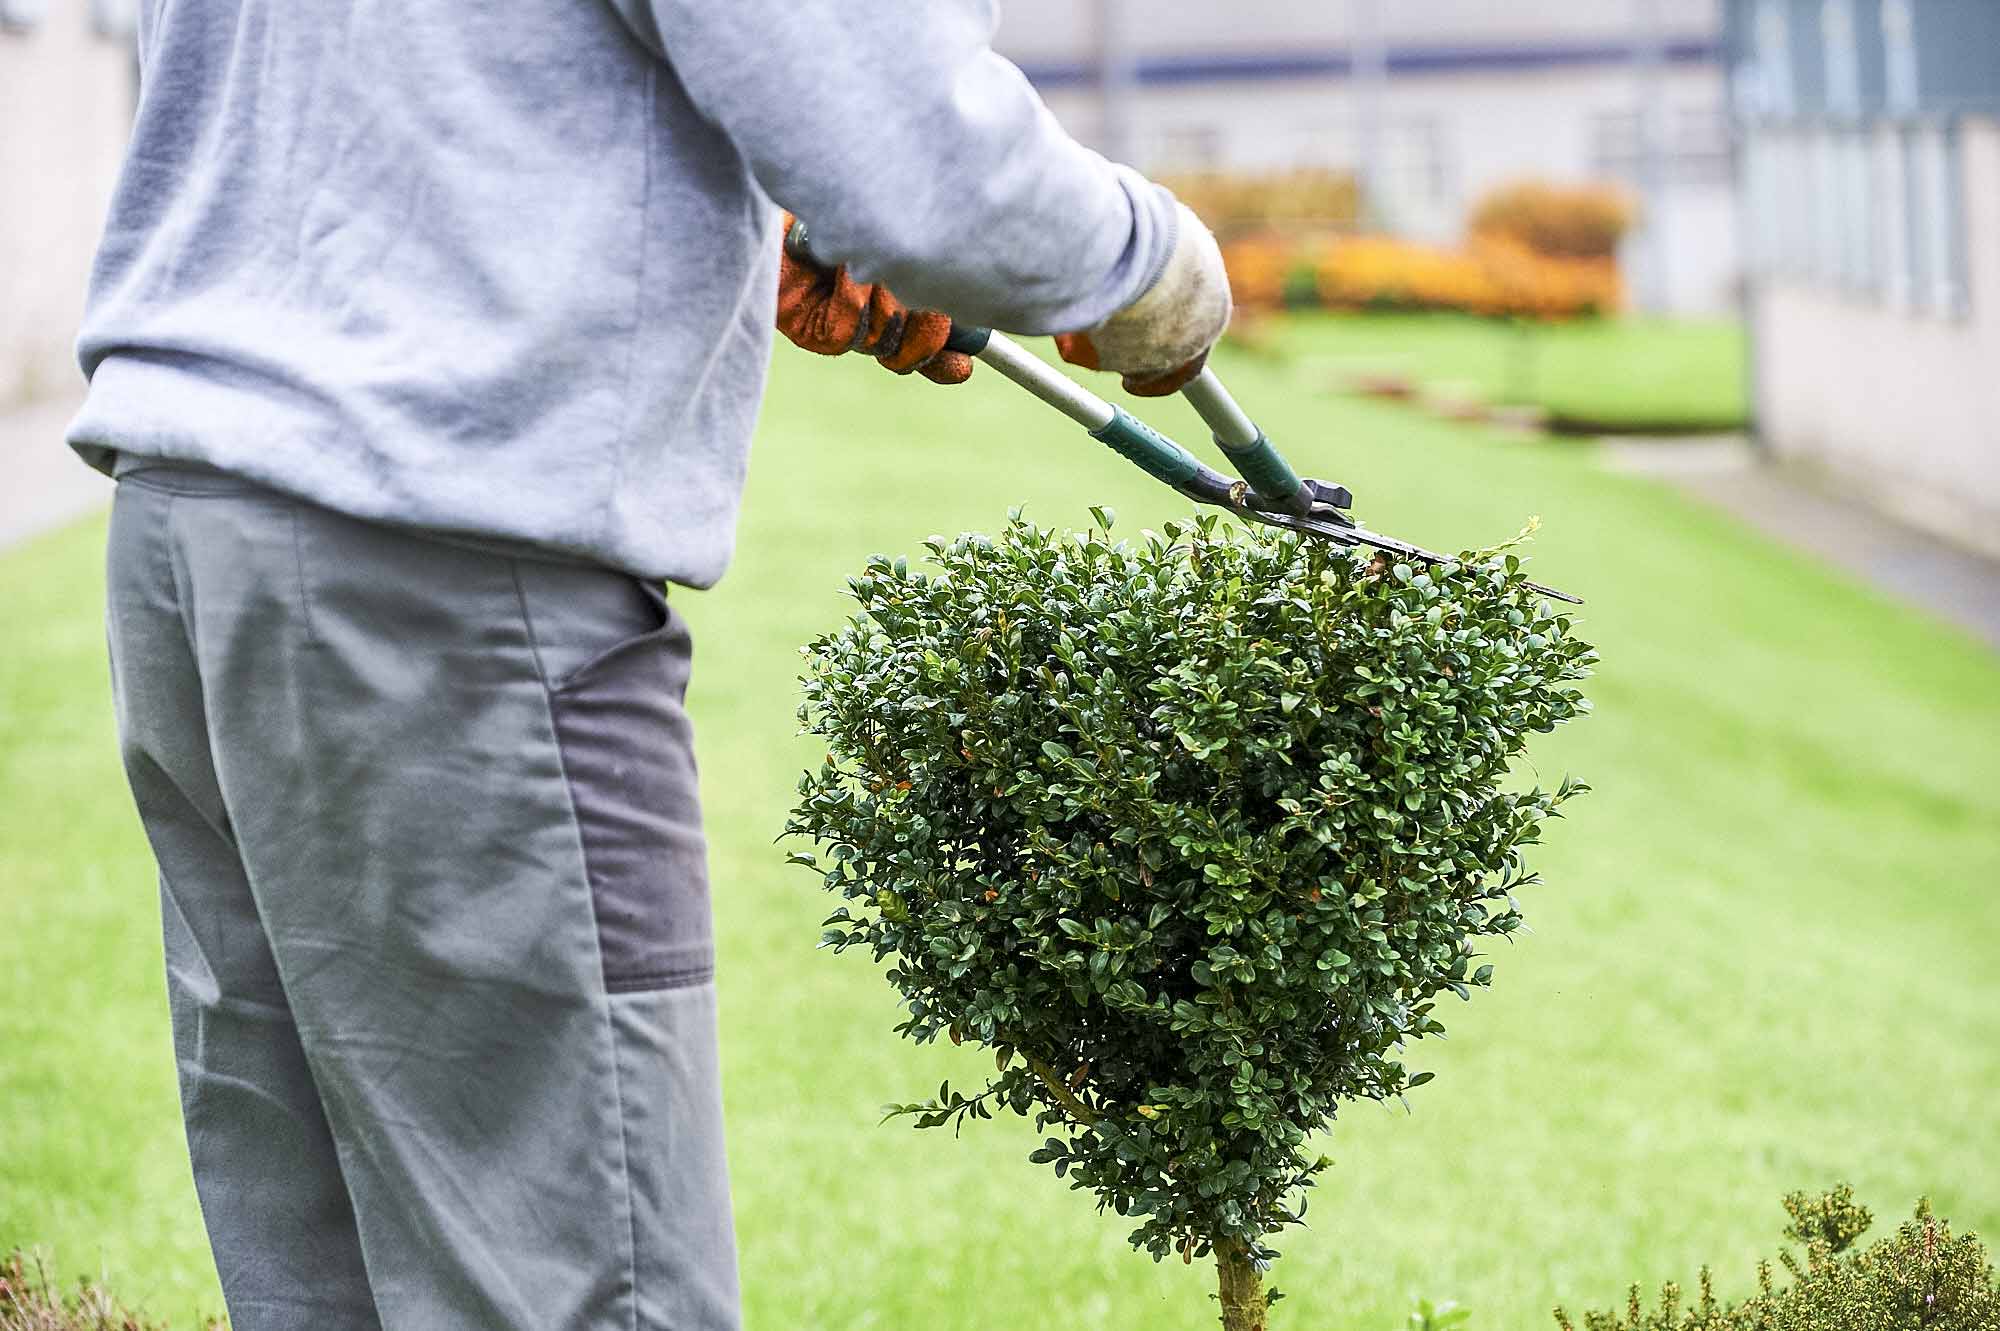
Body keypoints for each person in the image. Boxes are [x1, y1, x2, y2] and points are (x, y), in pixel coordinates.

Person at [71, 2, 1230, 1329]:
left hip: (195, 537)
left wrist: (684, 196)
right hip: (448, 587)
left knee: (326, 1294)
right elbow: (922, 162)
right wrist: (1158, 266)